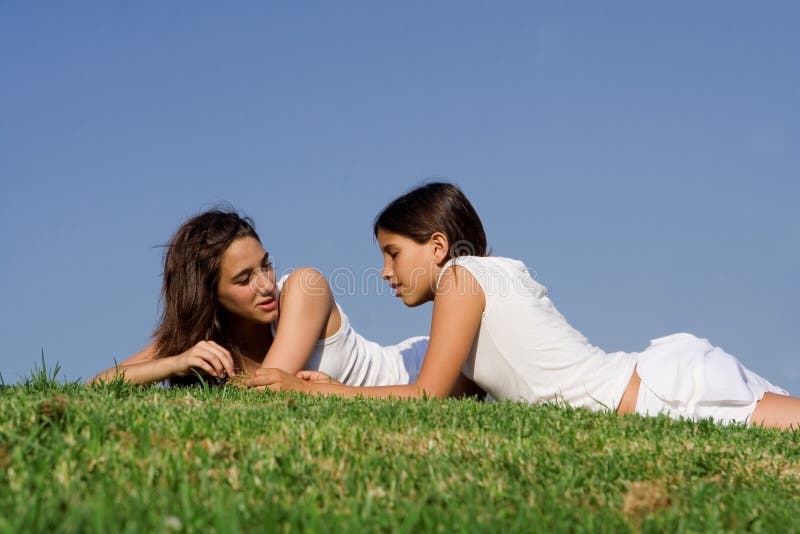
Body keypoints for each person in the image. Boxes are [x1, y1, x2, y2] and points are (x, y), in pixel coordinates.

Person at [251, 183, 800, 430]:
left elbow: (424, 396)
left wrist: (314, 390)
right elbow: (443, 403)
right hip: (653, 389)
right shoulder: (477, 285)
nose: (385, 271)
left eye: (393, 253)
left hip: (659, 394)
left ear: (438, 247)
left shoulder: (462, 278)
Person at [87, 207, 429, 388]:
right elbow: (98, 384)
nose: (265, 284)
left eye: (265, 265)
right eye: (244, 279)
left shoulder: (303, 287)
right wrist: (176, 362)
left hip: (416, 371)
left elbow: (264, 393)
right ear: (209, 296)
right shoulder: (205, 340)